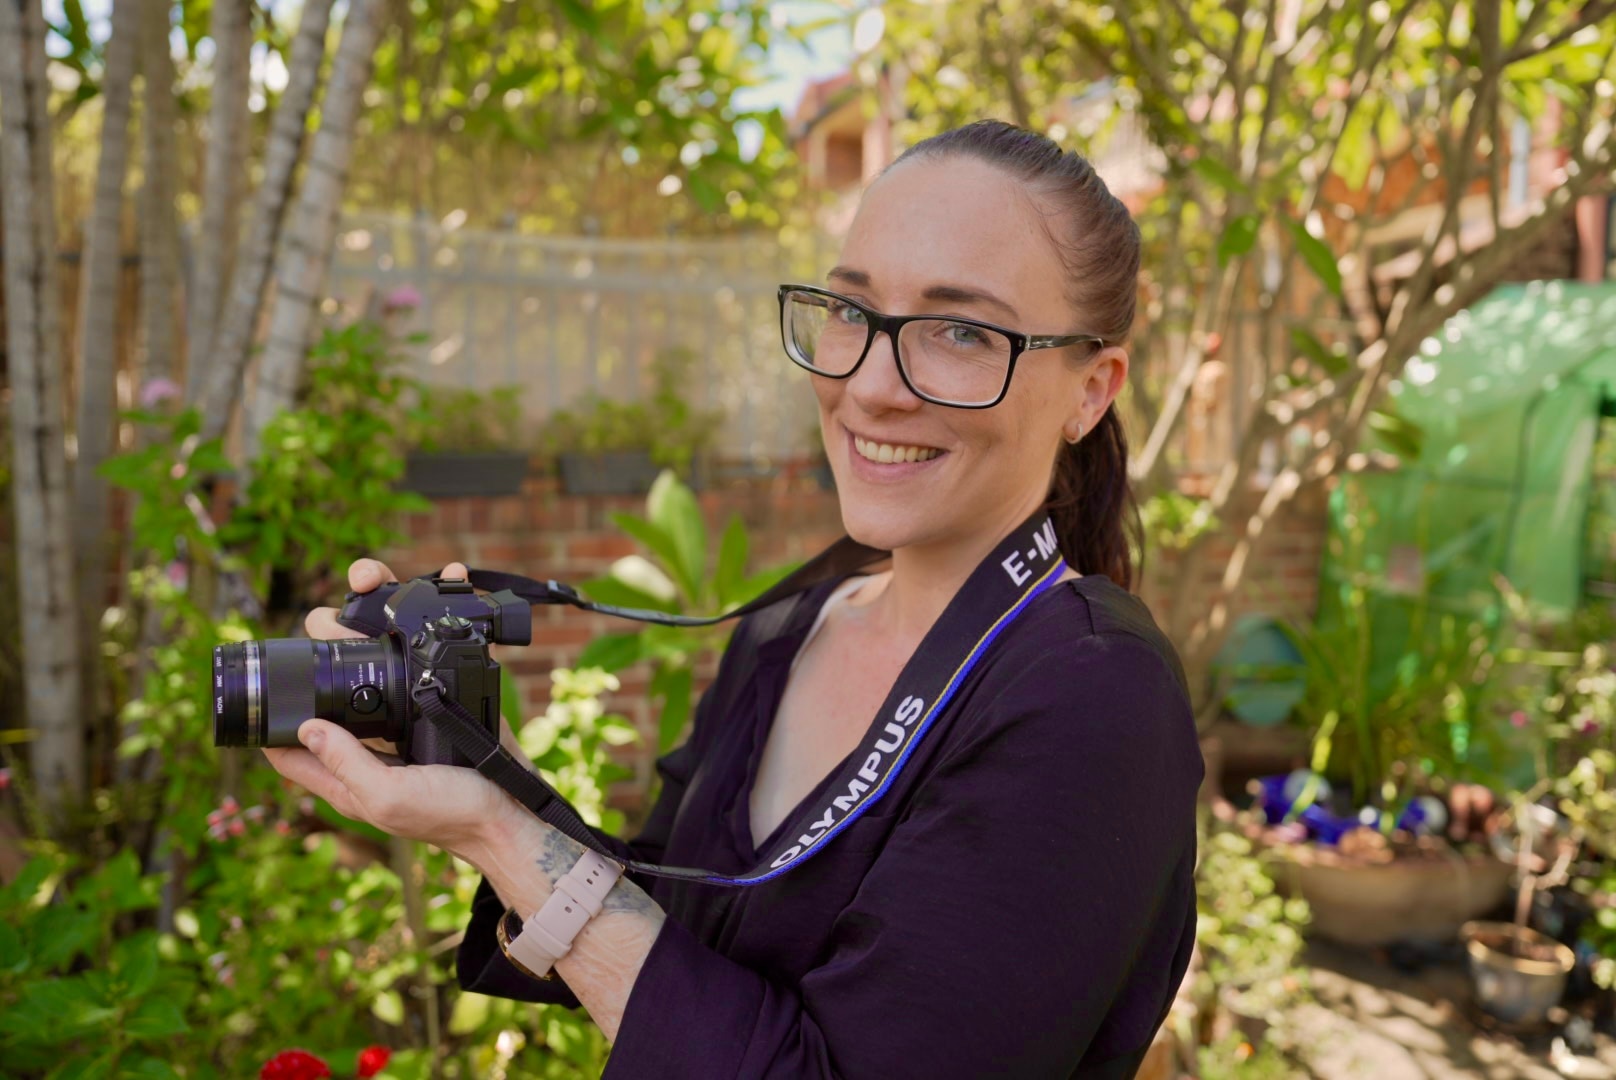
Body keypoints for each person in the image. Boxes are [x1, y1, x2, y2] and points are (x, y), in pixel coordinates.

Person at [267, 120, 1203, 1078]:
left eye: (962, 330)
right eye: (851, 312)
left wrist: (494, 833)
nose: (872, 386)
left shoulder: (1090, 694)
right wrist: (484, 773)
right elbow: (676, 970)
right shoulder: (784, 633)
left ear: (1091, 389)